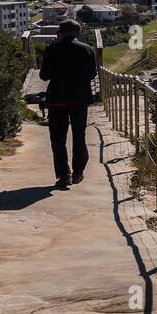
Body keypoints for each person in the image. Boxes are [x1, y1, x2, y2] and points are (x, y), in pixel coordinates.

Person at [39, 18, 98, 189]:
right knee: (79, 136)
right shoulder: (87, 49)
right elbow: (92, 74)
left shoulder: (53, 49)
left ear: (61, 32)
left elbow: (44, 76)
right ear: (78, 33)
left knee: (58, 139)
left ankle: (64, 175)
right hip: (80, 100)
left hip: (57, 100)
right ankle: (78, 172)